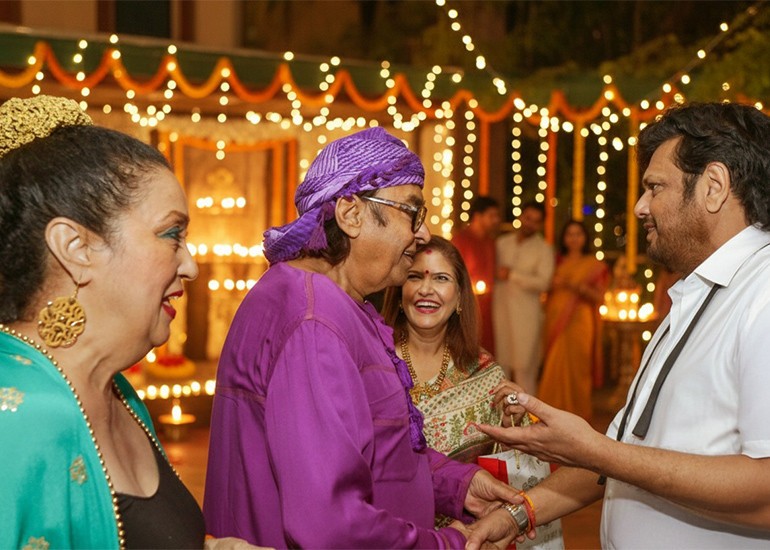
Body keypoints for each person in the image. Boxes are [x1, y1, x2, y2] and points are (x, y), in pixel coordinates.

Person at [468, 102, 770, 548]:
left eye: (655, 187)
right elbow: (628, 452)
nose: (639, 206)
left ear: (714, 187)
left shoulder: (762, 293)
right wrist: (519, 515)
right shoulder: (695, 294)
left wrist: (595, 450)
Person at [204, 128, 524, 548]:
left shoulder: (329, 304)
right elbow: (330, 523)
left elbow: (376, 455)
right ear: (350, 214)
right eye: (412, 212)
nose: (422, 234)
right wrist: (447, 544)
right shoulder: (313, 321)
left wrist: (457, 485)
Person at [0, 96, 205, 548]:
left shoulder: (119, 392)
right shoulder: (20, 413)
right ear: (75, 247)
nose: (190, 265)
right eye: (172, 234)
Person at [381, 236, 522, 464]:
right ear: (398, 294)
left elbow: (509, 469)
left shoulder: (484, 375)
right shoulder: (376, 362)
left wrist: (509, 428)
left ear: (459, 296)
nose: (426, 289)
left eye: (441, 278)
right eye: (414, 277)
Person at [538, 220, 609, 421]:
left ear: (585, 238)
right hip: (555, 318)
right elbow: (545, 289)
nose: (574, 238)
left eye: (578, 234)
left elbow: (600, 297)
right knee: (554, 364)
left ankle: (577, 415)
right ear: (564, 238)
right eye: (570, 234)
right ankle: (549, 414)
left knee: (578, 367)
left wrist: (574, 286)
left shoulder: (594, 265)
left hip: (580, 320)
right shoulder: (555, 261)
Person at [493, 201, 555, 392]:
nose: (530, 224)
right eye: (528, 218)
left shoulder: (544, 249)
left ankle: (529, 418)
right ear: (521, 217)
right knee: (499, 366)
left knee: (524, 369)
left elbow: (544, 282)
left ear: (540, 225)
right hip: (500, 311)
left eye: (536, 221)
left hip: (526, 316)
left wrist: (513, 275)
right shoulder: (502, 243)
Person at [451, 195, 501, 353]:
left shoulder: (491, 242)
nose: (496, 220)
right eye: (492, 216)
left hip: (488, 308)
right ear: (478, 216)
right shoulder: (460, 240)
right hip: (466, 307)